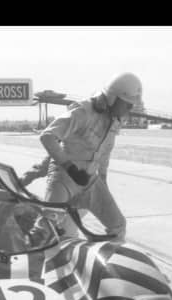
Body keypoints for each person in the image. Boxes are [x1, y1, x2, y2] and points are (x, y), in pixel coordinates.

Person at [37, 72, 141, 242]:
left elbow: (105, 152)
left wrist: (104, 180)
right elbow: (47, 136)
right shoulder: (82, 112)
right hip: (65, 178)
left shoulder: (114, 121)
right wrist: (69, 168)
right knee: (45, 230)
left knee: (118, 227)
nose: (129, 110)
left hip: (90, 180)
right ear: (113, 98)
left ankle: (101, 264)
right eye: (127, 105)